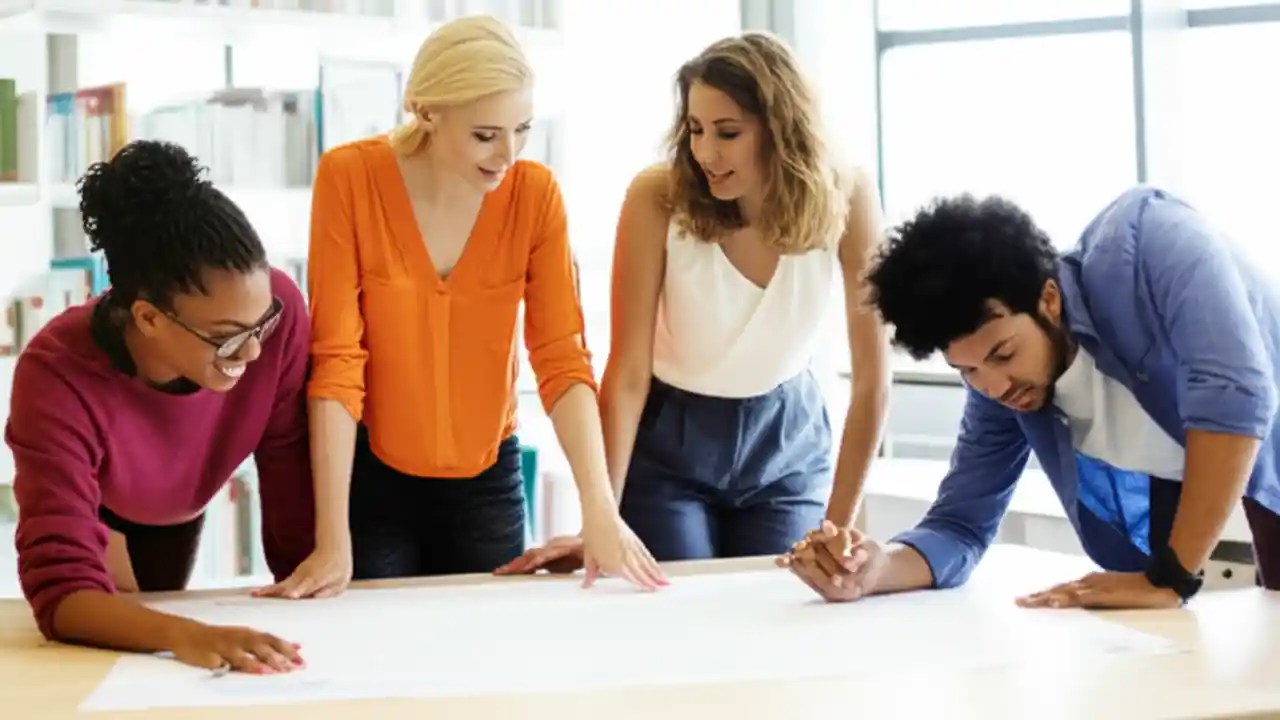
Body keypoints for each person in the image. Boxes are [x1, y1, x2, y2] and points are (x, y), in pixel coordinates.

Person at [497, 31, 889, 574]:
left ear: (782, 131)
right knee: (674, 607)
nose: (706, 152)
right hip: (669, 445)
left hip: (785, 443)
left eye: (728, 132)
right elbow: (629, 370)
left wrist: (838, 529)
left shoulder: (849, 192)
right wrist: (600, 519)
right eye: (696, 129)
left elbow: (873, 379)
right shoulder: (656, 196)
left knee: (776, 610)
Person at [782, 188, 1280, 608]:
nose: (994, 386)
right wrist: (874, 568)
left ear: (1049, 299)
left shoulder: (1149, 240)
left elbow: (1235, 394)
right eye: (967, 370)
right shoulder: (997, 394)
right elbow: (959, 525)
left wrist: (1169, 579)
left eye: (1003, 353)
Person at [305, 14, 663, 588]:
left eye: (521, 129)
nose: (508, 153)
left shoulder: (534, 196)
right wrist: (331, 541)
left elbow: (561, 358)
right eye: (485, 134)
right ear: (425, 111)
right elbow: (337, 361)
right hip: (372, 480)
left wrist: (599, 507)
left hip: (487, 484)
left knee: (483, 662)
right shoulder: (349, 178)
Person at [6, 139, 346, 674]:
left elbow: (286, 462)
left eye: (262, 323)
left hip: (181, 503)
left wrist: (308, 593)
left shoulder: (271, 316)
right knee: (117, 655)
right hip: (106, 509)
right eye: (228, 337)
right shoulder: (55, 376)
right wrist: (183, 636)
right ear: (148, 319)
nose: (255, 352)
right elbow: (62, 596)